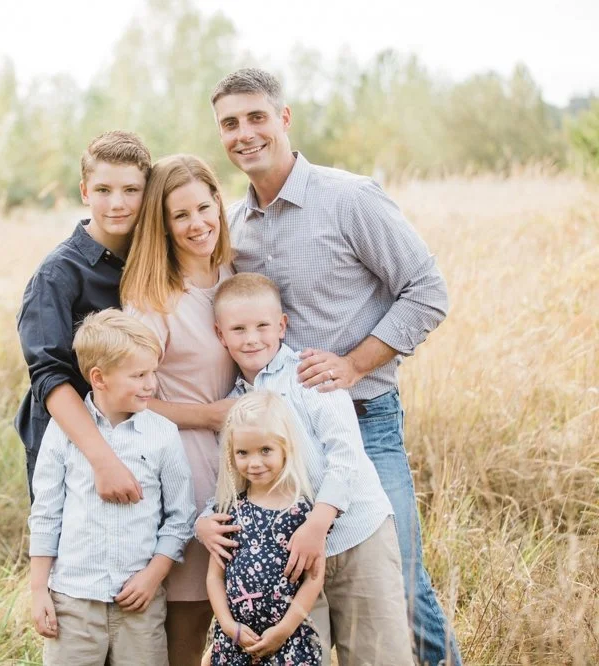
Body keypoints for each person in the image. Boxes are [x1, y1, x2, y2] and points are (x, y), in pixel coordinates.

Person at [209, 67, 459, 665]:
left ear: (285, 118)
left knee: (395, 585)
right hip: (281, 450)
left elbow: (427, 291)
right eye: (229, 124)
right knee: (300, 601)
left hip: (364, 419)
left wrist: (352, 364)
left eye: (257, 117)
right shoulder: (236, 227)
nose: (245, 133)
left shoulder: (349, 199)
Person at [206, 272, 414, 665]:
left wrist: (318, 523)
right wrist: (206, 520)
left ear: (282, 326)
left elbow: (347, 455)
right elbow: (232, 483)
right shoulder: (236, 406)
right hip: (290, 561)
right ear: (221, 335)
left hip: (356, 535)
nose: (252, 338)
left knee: (379, 654)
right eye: (238, 329)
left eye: (262, 326)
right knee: (300, 655)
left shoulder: (310, 373)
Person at [121, 154, 238, 666]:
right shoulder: (154, 297)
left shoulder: (235, 270)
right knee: (188, 627)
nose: (197, 224)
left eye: (203, 207)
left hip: (244, 464)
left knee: (244, 616)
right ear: (163, 226)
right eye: (180, 216)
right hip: (184, 467)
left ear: (218, 202)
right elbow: (130, 397)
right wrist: (209, 416)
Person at [28, 309, 196, 666]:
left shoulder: (162, 434)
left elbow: (181, 517)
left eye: (153, 372)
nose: (151, 383)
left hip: (139, 603)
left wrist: (154, 575)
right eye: (138, 375)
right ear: (99, 378)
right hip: (73, 600)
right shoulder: (64, 432)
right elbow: (45, 512)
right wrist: (38, 589)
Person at [16, 131, 152, 504]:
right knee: (69, 557)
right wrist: (102, 459)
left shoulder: (151, 260)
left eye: (131, 190)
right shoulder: (57, 274)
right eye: (104, 190)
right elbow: (49, 375)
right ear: (84, 192)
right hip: (70, 443)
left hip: (132, 432)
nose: (117, 203)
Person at [206, 391, 324, 666]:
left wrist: (284, 630)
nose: (254, 462)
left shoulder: (303, 512)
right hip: (235, 641)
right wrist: (226, 625)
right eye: (243, 453)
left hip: (288, 640)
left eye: (265, 451)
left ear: (286, 448)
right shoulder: (230, 509)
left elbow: (314, 579)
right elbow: (214, 577)